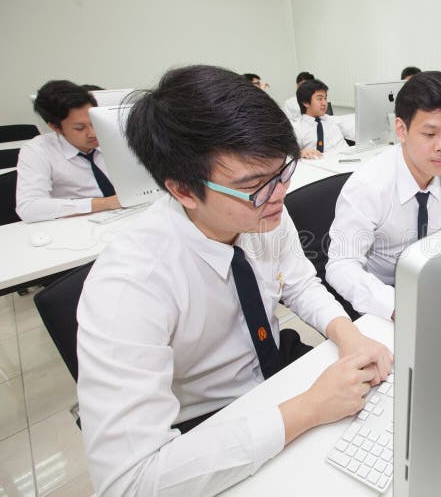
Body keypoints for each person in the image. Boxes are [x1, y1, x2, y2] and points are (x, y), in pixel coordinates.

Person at [76, 65, 392, 496]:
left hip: (276, 373)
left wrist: (347, 334)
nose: (279, 194)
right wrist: (309, 408)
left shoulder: (262, 206)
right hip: (209, 421)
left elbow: (298, 283)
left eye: (283, 172)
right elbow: (130, 483)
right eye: (255, 185)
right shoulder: (129, 284)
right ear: (184, 190)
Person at [326, 71, 441, 320]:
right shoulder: (368, 185)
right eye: (430, 134)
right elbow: (340, 265)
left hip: (439, 285)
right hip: (384, 297)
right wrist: (397, 306)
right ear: (401, 130)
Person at [16, 80, 120, 222]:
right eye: (79, 128)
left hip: (126, 215)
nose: (92, 133)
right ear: (55, 127)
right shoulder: (37, 150)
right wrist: (105, 203)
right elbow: (29, 207)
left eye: (94, 122)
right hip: (79, 224)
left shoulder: (115, 136)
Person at [292, 79, 347, 159]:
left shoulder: (332, 120)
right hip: (321, 167)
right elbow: (288, 155)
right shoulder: (297, 128)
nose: (324, 103)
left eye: (325, 98)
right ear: (305, 103)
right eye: (319, 98)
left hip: (348, 161)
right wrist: (299, 153)